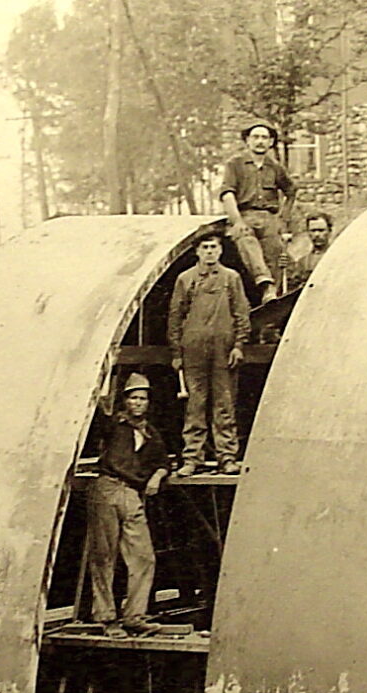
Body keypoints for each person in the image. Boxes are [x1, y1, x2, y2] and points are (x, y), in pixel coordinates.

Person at [84, 371, 168, 636]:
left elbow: (164, 462)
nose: (138, 403)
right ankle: (106, 618)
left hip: (132, 494)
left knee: (143, 556)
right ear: (125, 401)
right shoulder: (113, 426)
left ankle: (134, 616)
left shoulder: (151, 434)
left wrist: (157, 476)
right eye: (133, 398)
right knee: (103, 556)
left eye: (143, 398)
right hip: (107, 488)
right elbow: (101, 413)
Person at [168, 237, 251, 476]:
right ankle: (193, 458)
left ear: (221, 250)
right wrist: (176, 352)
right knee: (195, 405)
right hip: (193, 349)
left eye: (214, 247)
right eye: (204, 248)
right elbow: (175, 317)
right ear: (197, 252)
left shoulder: (231, 278)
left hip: (223, 350)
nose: (209, 252)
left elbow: (241, 314)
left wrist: (238, 346)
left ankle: (226, 457)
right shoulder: (185, 279)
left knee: (224, 404)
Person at [218, 123, 296, 299]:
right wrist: (237, 221)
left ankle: (272, 295)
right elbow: (227, 194)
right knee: (247, 242)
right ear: (247, 141)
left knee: (275, 250)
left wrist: (283, 219)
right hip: (245, 215)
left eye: (264, 138)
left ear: (271, 142)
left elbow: (291, 191)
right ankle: (264, 281)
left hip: (269, 217)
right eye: (255, 137)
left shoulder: (275, 167)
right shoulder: (235, 164)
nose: (260, 141)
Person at [288, 210, 332, 290]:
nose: (317, 234)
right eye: (313, 230)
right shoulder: (302, 263)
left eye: (321, 230)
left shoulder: (337, 258)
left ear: (329, 231)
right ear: (308, 232)